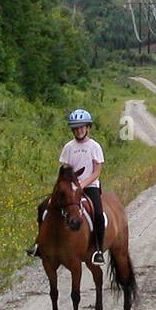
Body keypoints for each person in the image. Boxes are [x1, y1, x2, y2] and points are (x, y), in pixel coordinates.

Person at [27, 108, 106, 264]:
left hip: (90, 185)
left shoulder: (94, 146)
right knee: (43, 207)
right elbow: (65, 170)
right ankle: (39, 244)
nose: (79, 130)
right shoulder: (68, 147)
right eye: (76, 128)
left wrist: (82, 184)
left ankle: (98, 249)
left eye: (82, 127)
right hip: (70, 187)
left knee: (98, 214)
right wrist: (64, 186)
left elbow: (97, 171)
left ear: (88, 127)